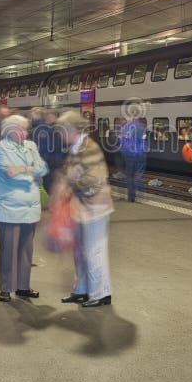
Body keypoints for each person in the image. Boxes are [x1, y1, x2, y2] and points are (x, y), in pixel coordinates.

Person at [55, 111, 115, 308]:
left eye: (62, 130)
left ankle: (100, 293)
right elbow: (69, 174)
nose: (60, 134)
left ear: (71, 129)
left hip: (96, 208)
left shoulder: (90, 148)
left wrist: (72, 182)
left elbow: (94, 179)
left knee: (94, 251)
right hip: (81, 208)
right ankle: (82, 289)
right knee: (80, 252)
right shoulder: (75, 147)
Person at [0, 115, 48, 302]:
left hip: (30, 207)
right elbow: (10, 174)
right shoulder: (1, 148)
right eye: (20, 129)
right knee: (8, 250)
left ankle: (23, 286)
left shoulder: (31, 146)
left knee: (26, 249)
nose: (25, 132)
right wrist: (30, 171)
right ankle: (6, 288)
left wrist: (22, 169)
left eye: (25, 128)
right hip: (10, 208)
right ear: (9, 130)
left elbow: (43, 168)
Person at [120, 114, 147, 202]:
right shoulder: (142, 127)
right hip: (140, 154)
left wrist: (124, 151)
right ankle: (140, 193)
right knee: (138, 174)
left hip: (130, 154)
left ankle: (131, 197)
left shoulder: (127, 126)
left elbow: (125, 140)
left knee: (130, 176)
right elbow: (144, 140)